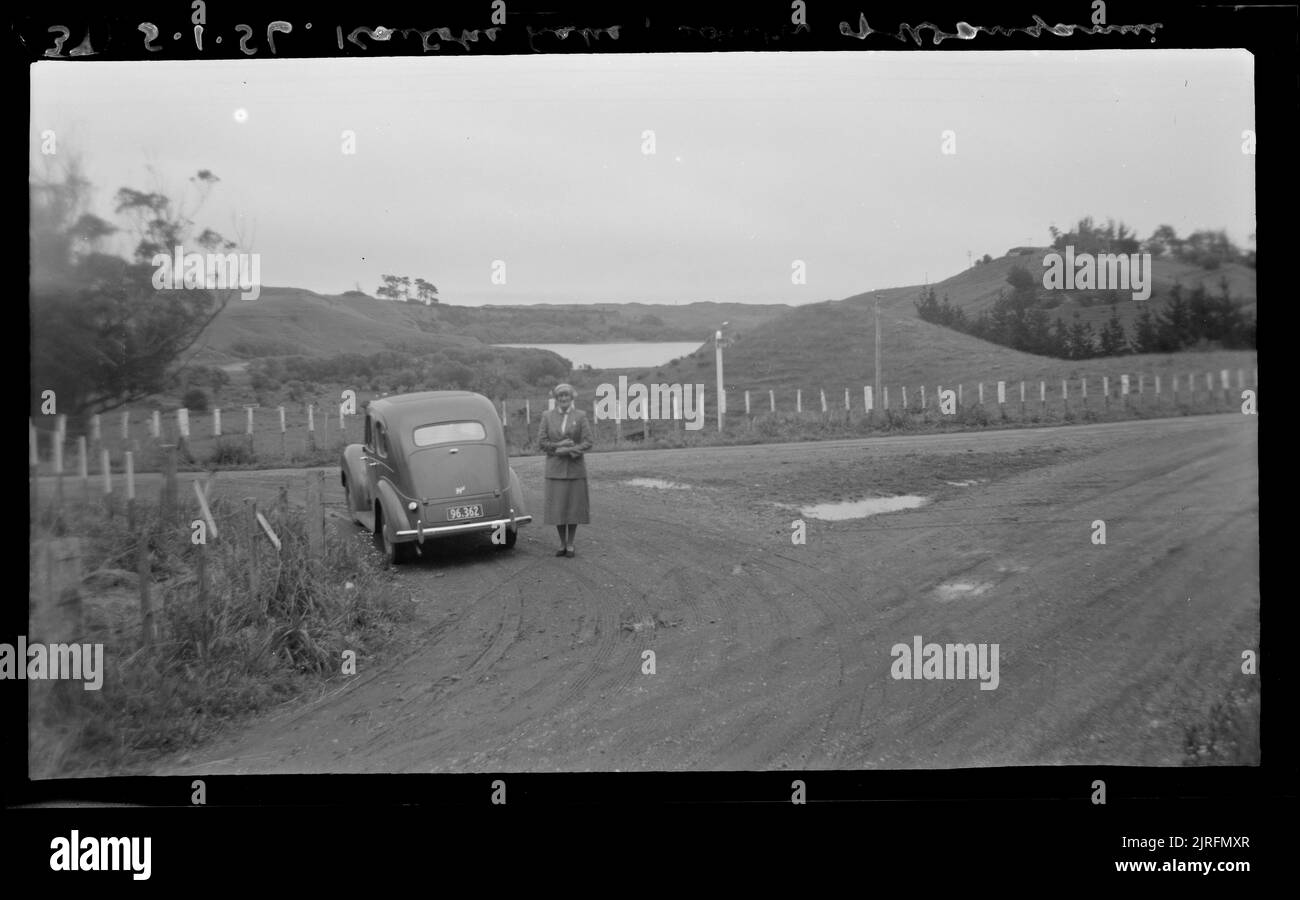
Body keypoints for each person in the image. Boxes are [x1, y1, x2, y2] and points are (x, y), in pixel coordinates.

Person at [536, 383, 593, 557]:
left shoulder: (581, 416)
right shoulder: (547, 416)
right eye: (560, 396)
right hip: (555, 470)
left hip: (575, 470)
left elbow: (588, 442)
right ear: (556, 399)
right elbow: (541, 442)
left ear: (571, 398)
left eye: (566, 396)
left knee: (573, 508)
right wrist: (558, 446)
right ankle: (561, 543)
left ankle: (570, 544)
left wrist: (569, 450)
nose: (563, 399)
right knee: (558, 509)